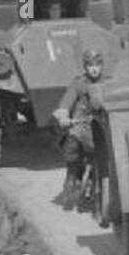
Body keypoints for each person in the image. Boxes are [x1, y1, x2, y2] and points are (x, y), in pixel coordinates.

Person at [51, 48, 103, 210]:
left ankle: (100, 188)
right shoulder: (79, 83)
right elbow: (67, 101)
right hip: (80, 126)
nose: (94, 69)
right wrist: (63, 115)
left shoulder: (107, 82)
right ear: (85, 67)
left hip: (101, 127)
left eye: (97, 65)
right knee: (72, 145)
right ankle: (72, 178)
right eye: (90, 65)